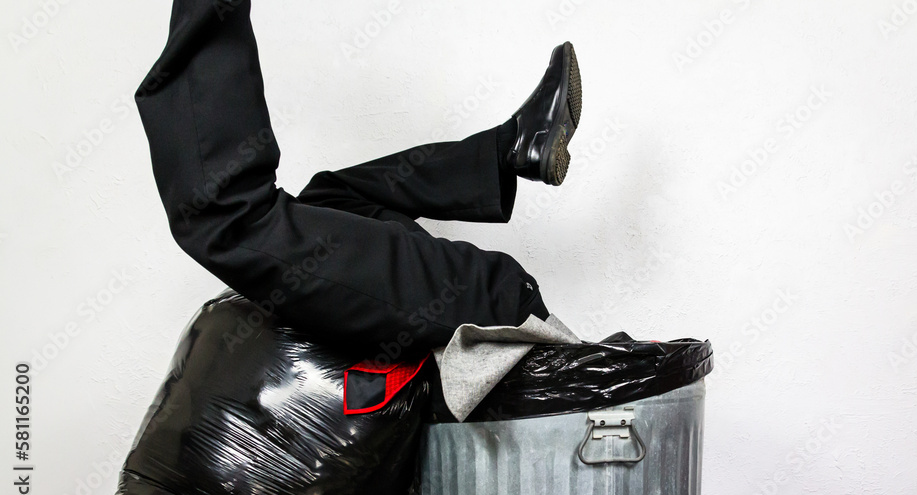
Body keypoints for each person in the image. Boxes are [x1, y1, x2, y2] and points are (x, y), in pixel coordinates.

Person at [135, 0, 582, 357]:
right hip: (493, 302)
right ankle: (513, 146)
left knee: (225, 215)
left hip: (493, 310)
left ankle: (516, 145)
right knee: (326, 199)